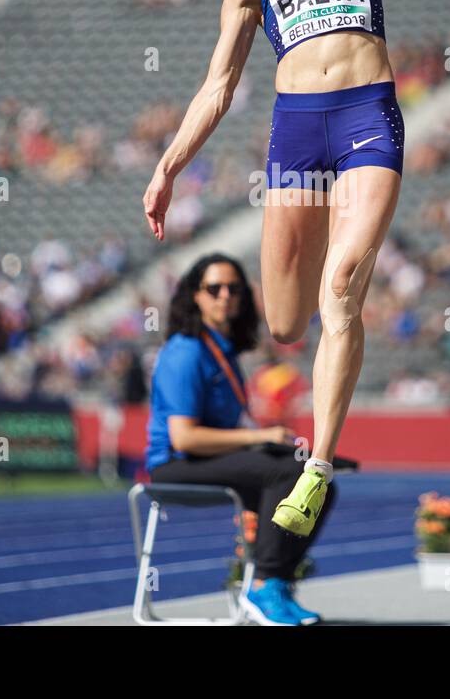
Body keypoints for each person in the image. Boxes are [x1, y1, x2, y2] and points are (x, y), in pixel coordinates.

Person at [143, 0, 450, 539]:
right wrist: (169, 167)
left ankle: (318, 466)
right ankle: (311, 364)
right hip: (296, 133)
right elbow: (218, 86)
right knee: (283, 322)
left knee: (342, 287)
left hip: (368, 116)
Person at [144, 253, 337, 625]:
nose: (225, 296)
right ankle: (263, 586)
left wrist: (269, 444)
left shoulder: (224, 350)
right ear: (195, 296)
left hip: (205, 459)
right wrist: (261, 435)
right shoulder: (186, 351)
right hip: (175, 466)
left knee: (317, 479)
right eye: (214, 288)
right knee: (287, 474)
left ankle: (276, 583)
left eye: (233, 288)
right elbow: (184, 438)